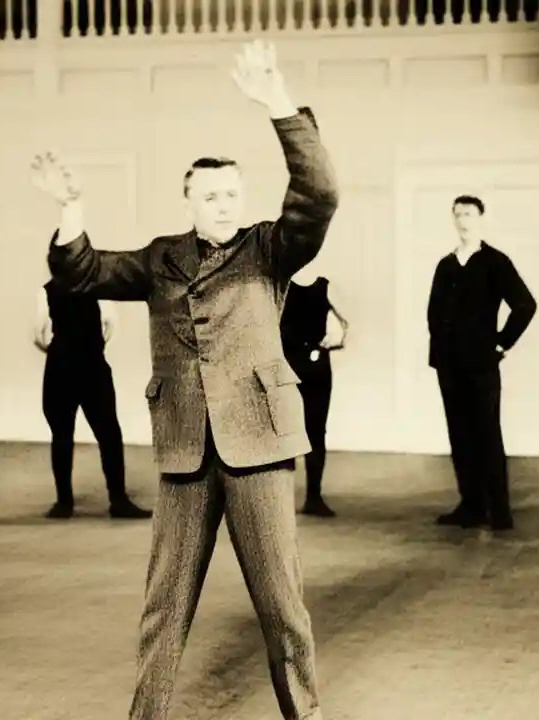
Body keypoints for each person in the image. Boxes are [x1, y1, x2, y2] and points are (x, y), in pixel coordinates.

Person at [33, 40, 338, 720]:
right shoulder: (161, 258)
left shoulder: (269, 248)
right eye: (210, 196)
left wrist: (278, 106)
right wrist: (72, 209)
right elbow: (82, 274)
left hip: (257, 445)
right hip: (183, 449)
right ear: (189, 200)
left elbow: (320, 195)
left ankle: (306, 716)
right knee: (163, 606)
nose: (224, 204)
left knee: (282, 605)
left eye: (232, 193)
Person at [426, 194, 537, 531]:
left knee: (487, 434)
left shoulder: (495, 262)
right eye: (457, 214)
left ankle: (499, 510)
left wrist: (500, 344)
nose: (463, 220)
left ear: (481, 218)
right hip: (448, 365)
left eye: (469, 214)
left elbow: (525, 305)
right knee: (459, 435)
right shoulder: (446, 265)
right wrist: (443, 351)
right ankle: (471, 506)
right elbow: (433, 313)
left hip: (481, 365)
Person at [34, 280, 152, 520]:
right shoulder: (92, 290)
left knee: (93, 434)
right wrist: (88, 347)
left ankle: (78, 503)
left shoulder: (52, 290)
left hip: (74, 366)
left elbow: (39, 334)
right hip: (78, 366)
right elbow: (110, 327)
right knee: (80, 434)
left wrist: (65, 350)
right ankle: (91, 501)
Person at [279, 269, 348, 517]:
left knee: (315, 430)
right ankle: (283, 498)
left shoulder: (323, 286)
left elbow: (345, 323)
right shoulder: (279, 284)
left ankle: (313, 496)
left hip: (315, 367)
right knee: (284, 432)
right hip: (286, 366)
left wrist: (337, 336)